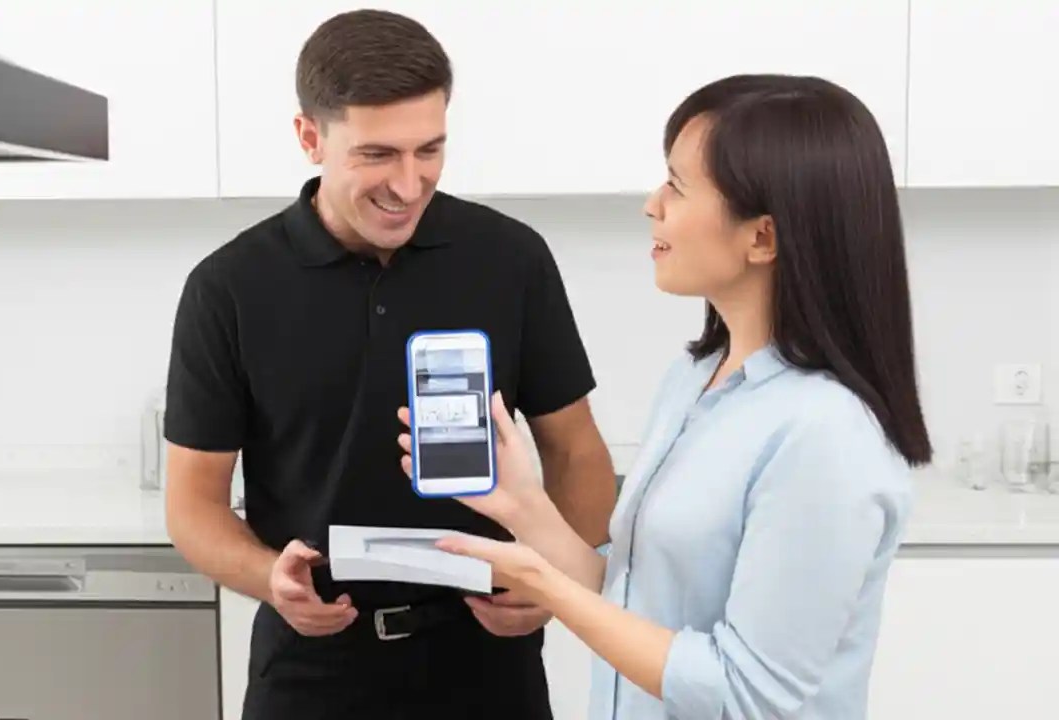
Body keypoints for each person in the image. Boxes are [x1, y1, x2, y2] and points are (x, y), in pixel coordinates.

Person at [396, 73, 933, 720]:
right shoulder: (695, 379)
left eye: (678, 186)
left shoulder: (827, 435)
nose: (652, 204)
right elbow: (633, 599)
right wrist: (524, 507)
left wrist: (540, 584)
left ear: (762, 238)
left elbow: (747, 694)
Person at [162, 9, 616, 720]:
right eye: (377, 155)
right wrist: (267, 577)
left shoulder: (512, 260)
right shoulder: (229, 289)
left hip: (485, 660)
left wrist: (555, 577)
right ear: (309, 137)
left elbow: (577, 450)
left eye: (429, 150)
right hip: (312, 665)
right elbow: (192, 503)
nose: (409, 184)